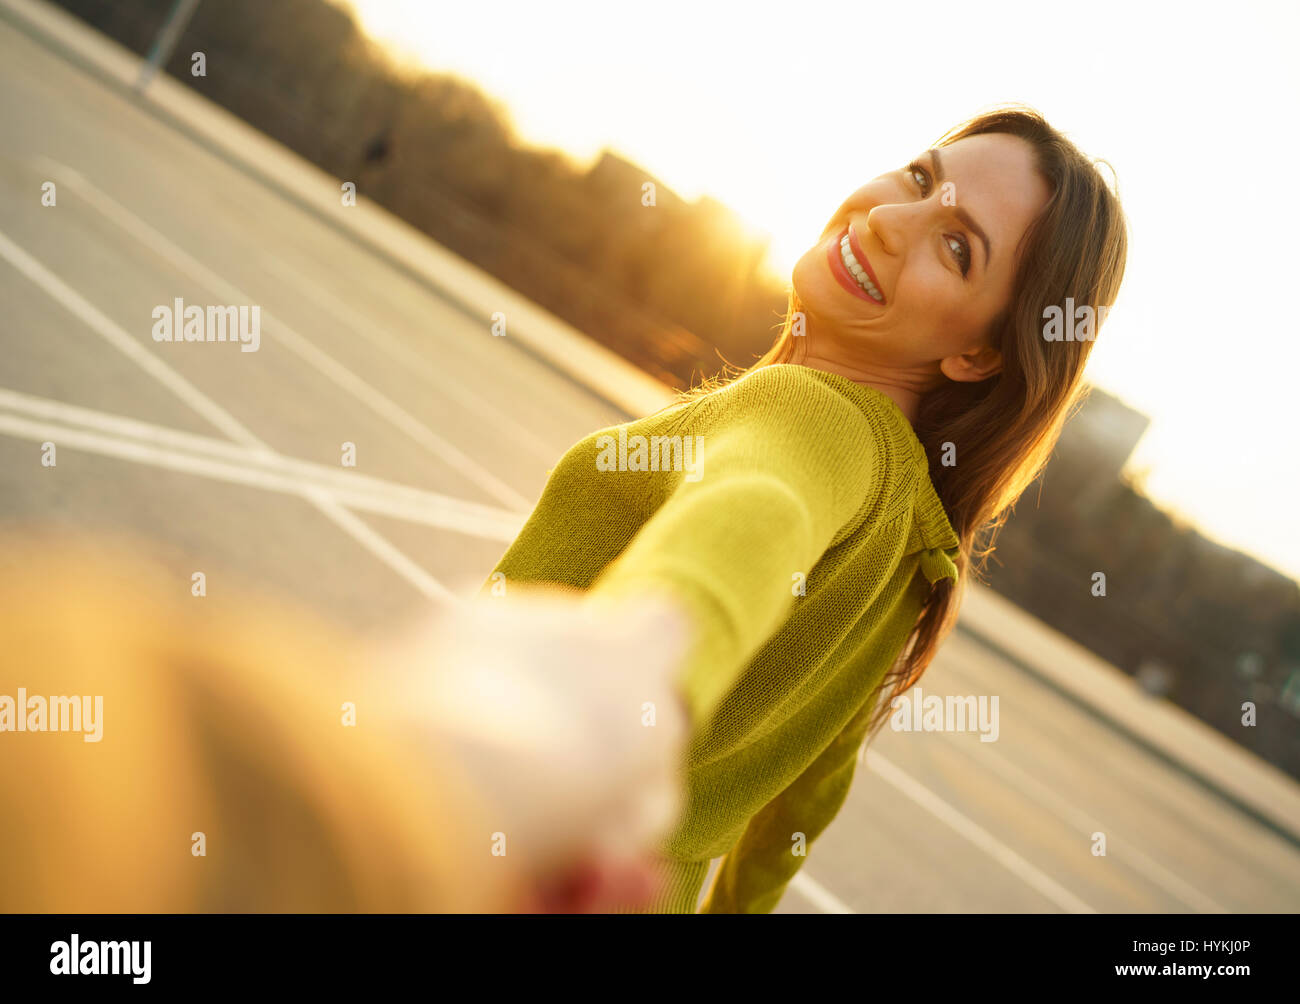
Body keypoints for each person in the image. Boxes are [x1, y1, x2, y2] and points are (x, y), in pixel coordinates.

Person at [475, 104, 1128, 913]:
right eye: (921, 179)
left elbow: (736, 537)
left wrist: (569, 717)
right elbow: (799, 816)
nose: (891, 221)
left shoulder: (806, 416)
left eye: (957, 248)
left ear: (978, 353)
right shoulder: (914, 547)